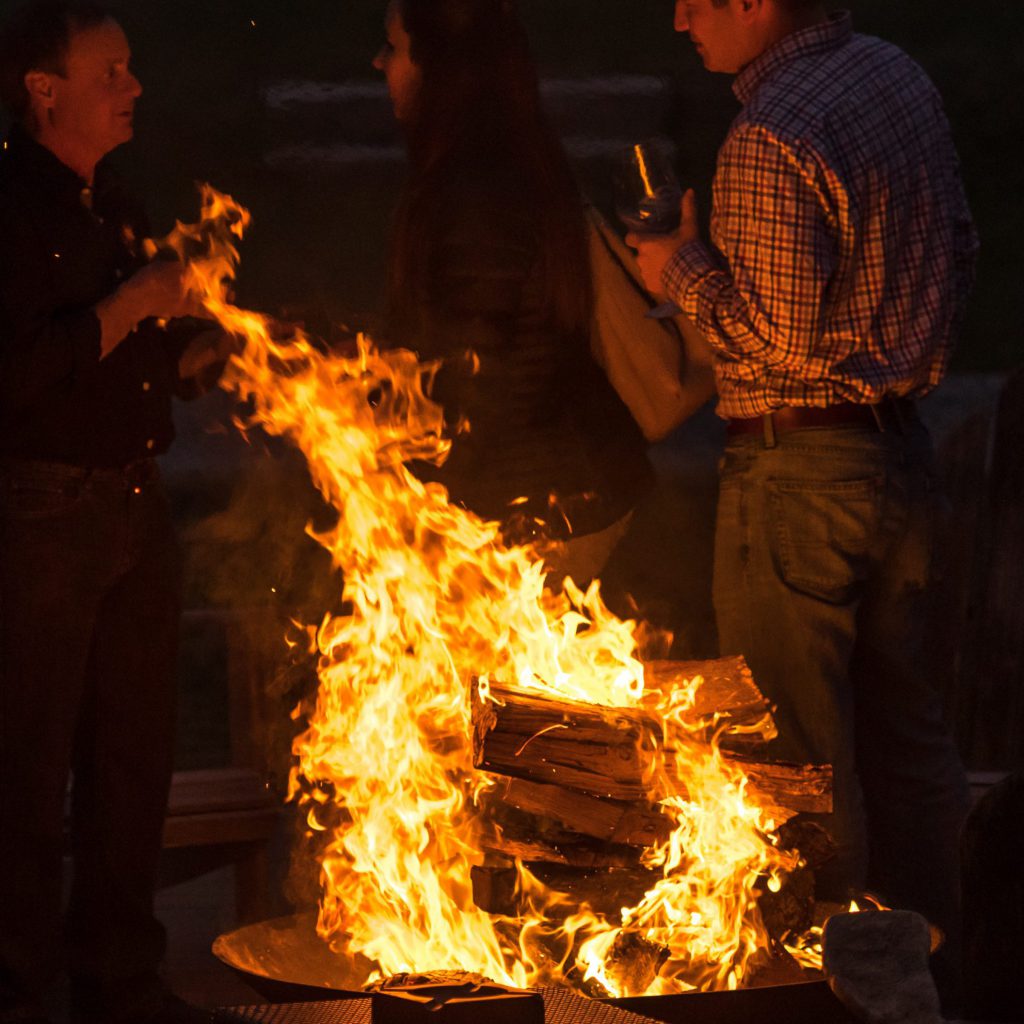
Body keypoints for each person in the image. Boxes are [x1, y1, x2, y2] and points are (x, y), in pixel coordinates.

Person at [627, 0, 977, 1003]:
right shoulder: (894, 74)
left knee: (797, 765)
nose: (679, 19)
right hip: (898, 455)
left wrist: (679, 271)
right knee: (908, 743)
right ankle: (944, 978)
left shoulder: (771, 132)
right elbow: (961, 246)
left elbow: (779, 339)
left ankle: (827, 997)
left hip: (797, 473)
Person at [0, 3, 229, 1022]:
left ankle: (120, 982)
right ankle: (16, 990)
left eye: (131, 68)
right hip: (42, 514)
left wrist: (205, 341)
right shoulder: (11, 211)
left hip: (134, 507)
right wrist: (135, 302)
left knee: (131, 761)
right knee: (27, 767)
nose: (133, 87)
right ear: (43, 90)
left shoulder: (114, 202)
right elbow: (20, 373)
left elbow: (139, 361)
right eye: (110, 72)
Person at [373, 0, 654, 586]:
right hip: (542, 491)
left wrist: (438, 513)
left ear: (440, 65)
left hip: (540, 507)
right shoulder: (497, 163)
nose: (379, 62)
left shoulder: (478, 189)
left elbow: (484, 375)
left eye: (394, 47)